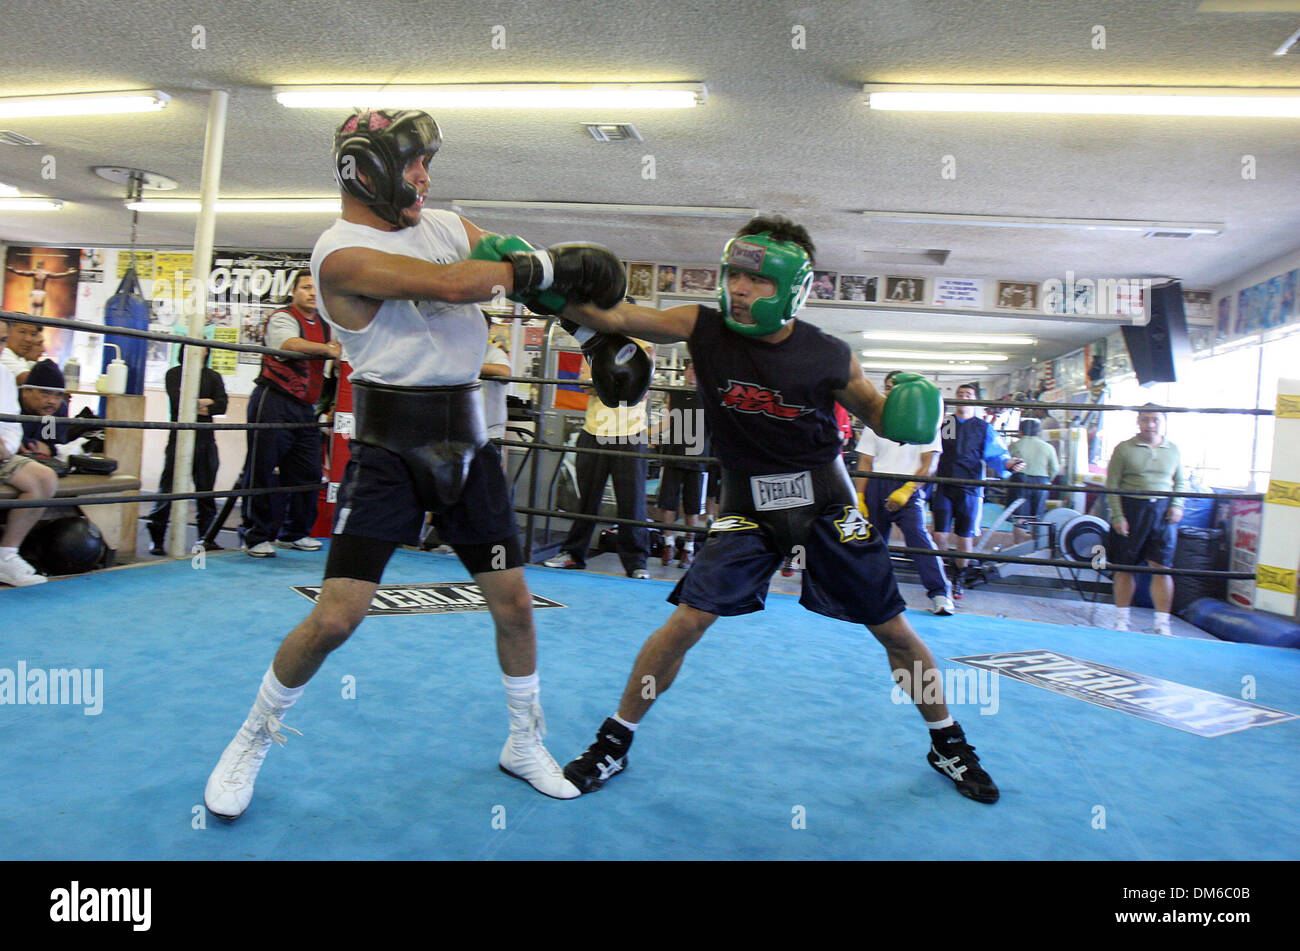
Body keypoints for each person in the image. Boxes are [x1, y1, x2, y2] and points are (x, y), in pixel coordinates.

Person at [204, 108, 627, 818]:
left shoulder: (451, 224)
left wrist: (594, 334)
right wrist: (544, 263)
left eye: (427, 162)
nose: (426, 177)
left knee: (516, 606)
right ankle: (251, 737)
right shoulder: (338, 255)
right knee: (337, 617)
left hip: (469, 440)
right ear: (366, 171)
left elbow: (518, 275)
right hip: (388, 449)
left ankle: (524, 741)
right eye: (412, 165)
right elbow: (458, 286)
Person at [544, 216, 998, 804]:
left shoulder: (829, 355)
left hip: (827, 504)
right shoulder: (700, 327)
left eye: (755, 281)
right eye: (733, 274)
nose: (738, 288)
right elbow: (619, 317)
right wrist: (543, 282)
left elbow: (886, 420)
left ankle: (947, 742)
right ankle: (615, 741)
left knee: (895, 630)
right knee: (686, 621)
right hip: (746, 507)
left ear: (792, 288)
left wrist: (915, 405)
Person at [239, 271, 337, 556]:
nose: (313, 293)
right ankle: (255, 536)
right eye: (306, 287)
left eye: (318, 289)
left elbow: (342, 351)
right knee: (263, 467)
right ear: (294, 291)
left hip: (306, 407)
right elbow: (288, 345)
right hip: (273, 399)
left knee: (308, 470)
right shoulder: (283, 317)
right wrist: (327, 350)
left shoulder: (326, 325)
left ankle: (294, 533)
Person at [543, 340, 654, 578]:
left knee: (632, 501)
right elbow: (584, 384)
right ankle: (573, 554)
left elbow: (642, 391)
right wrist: (619, 382)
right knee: (586, 501)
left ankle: (636, 563)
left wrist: (604, 383)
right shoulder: (596, 347)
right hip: (594, 431)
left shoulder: (645, 348)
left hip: (630, 433)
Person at [855, 369, 953, 615]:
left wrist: (907, 490)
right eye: (888, 387)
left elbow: (929, 464)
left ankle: (940, 595)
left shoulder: (925, 420)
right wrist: (859, 496)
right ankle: (872, 596)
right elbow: (865, 462)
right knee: (874, 543)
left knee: (919, 540)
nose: (891, 391)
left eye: (896, 387)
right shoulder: (875, 423)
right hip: (876, 484)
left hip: (909, 486)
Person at [930, 383, 1024, 598]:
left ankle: (959, 577)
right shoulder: (947, 424)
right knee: (940, 535)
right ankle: (944, 574)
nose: (964, 397)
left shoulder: (982, 428)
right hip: (945, 484)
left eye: (968, 394)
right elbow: (932, 449)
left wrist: (1009, 464)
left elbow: (997, 454)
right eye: (960, 394)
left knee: (965, 537)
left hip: (970, 488)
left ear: (975, 400)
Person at [1105, 405, 1188, 637]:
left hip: (1163, 511)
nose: (1150, 424)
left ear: (1163, 422)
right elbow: (1112, 484)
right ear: (1138, 422)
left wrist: (1177, 505)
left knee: (1162, 568)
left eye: (1154, 420)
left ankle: (1162, 623)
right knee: (1125, 568)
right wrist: (1118, 515)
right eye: (1145, 419)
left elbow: (1180, 481)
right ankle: (1122, 619)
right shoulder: (1123, 449)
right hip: (1132, 508)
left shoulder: (1174, 449)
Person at [146, 352, 229, 555]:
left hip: (205, 439)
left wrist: (196, 403)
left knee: (206, 492)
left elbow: (222, 405)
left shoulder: (213, 376)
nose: (199, 351)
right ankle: (157, 540)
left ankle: (206, 539)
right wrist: (207, 402)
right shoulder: (174, 374)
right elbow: (179, 404)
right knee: (168, 489)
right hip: (180, 437)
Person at [0, 322, 58, 586]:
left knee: (45, 477)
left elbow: (12, 427)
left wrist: (7, 447)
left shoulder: (3, 375)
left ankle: (6, 555)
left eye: (2, 341)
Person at [652, 359, 709, 568]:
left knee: (692, 506)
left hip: (699, 457)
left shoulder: (710, 395)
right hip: (673, 453)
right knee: (666, 502)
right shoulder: (673, 393)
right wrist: (644, 433)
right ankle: (668, 544)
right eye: (691, 368)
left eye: (697, 368)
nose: (693, 372)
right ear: (685, 371)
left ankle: (688, 549)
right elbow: (666, 420)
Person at [1006, 418, 1059, 543]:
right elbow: (1055, 468)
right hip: (1041, 482)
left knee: (1020, 517)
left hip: (1019, 481)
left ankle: (1018, 548)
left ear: (1020, 431)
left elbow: (1006, 466)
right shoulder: (1048, 447)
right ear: (1039, 432)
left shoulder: (1013, 446)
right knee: (1037, 517)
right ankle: (1036, 549)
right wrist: (1048, 480)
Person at [1, 318, 45, 385]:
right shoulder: (3, 354)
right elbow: (28, 381)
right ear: (7, 331)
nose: (28, 339)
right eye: (22, 332)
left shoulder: (20, 358)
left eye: (33, 334)